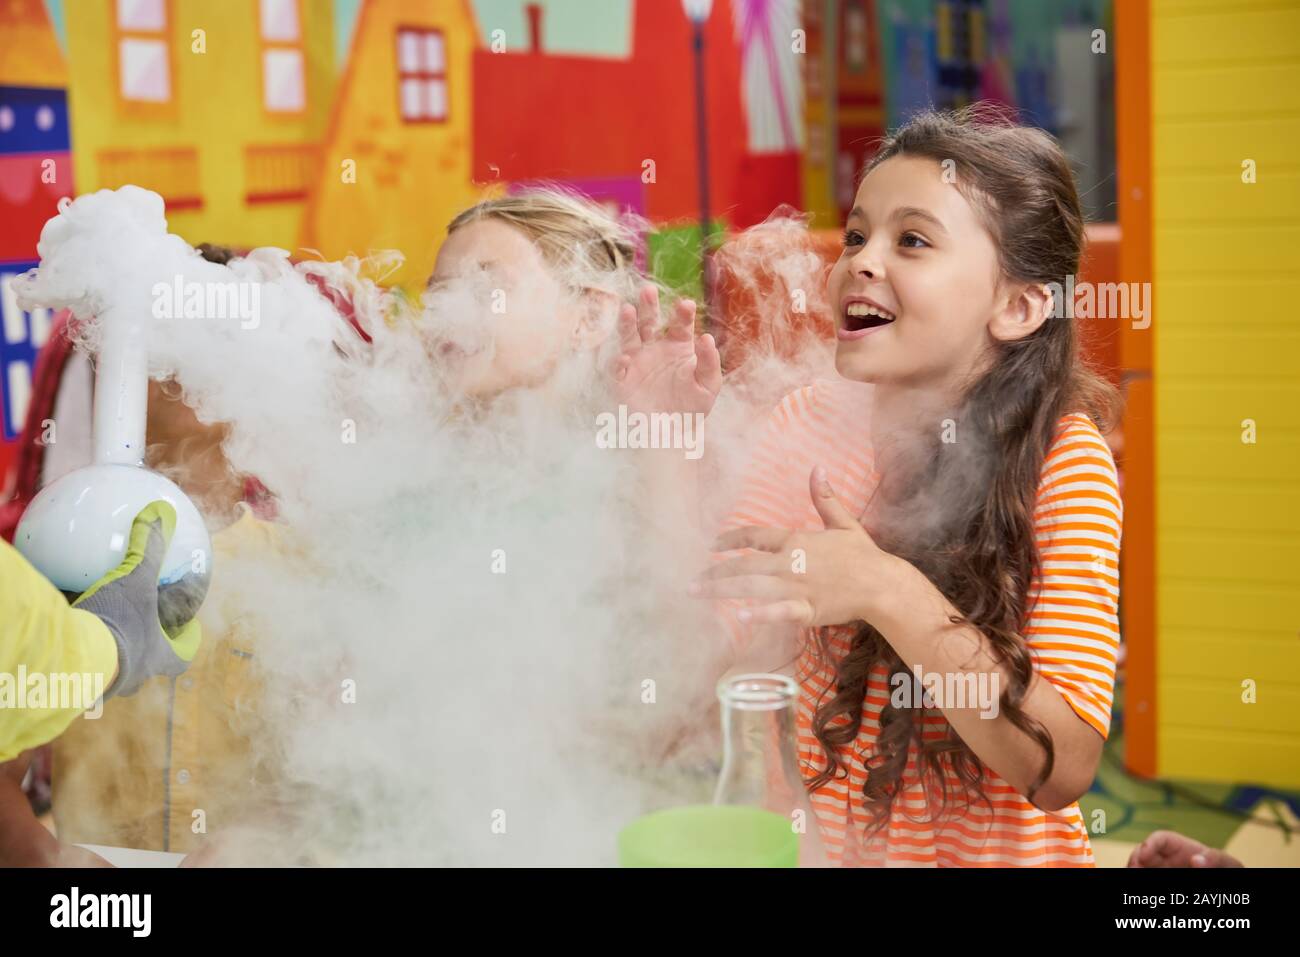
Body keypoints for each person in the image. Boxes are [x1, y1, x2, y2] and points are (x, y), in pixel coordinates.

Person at [685, 108, 1124, 865]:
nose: (861, 260)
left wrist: (885, 589)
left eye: (911, 240)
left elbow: (1065, 764)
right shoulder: (809, 419)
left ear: (1017, 305)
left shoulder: (1063, 463)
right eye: (857, 235)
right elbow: (710, 636)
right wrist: (666, 440)